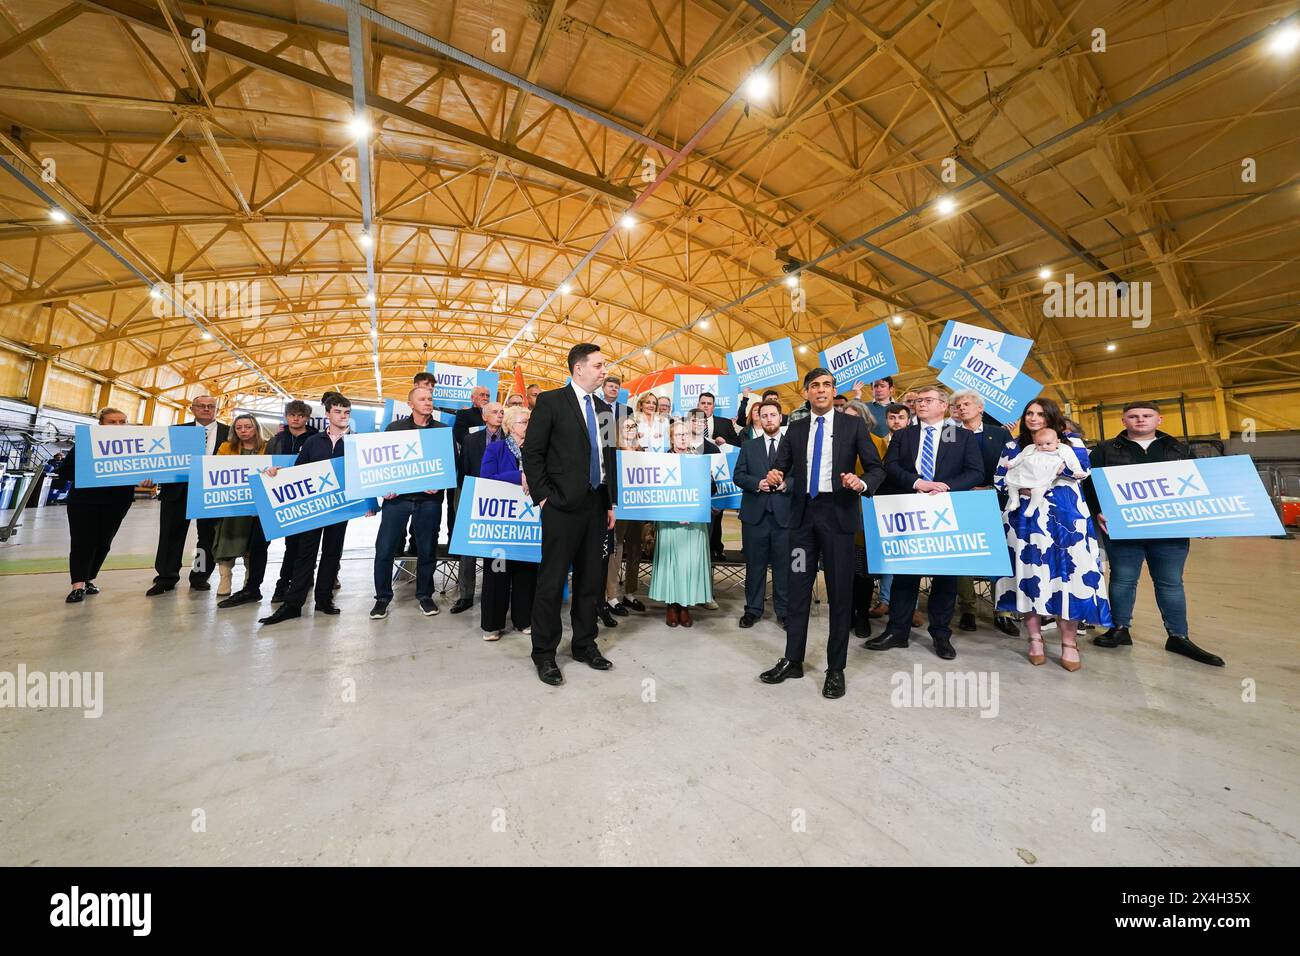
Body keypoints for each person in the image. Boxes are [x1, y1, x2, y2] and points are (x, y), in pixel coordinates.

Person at [759, 367, 885, 700]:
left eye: (827, 385)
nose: (821, 390)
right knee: (798, 588)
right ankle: (793, 659)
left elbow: (875, 468)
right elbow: (781, 466)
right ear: (805, 393)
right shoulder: (796, 429)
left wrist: (862, 483)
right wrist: (774, 473)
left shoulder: (853, 425)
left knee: (840, 594)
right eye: (814, 386)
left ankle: (836, 668)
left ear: (833, 391)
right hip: (803, 521)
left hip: (838, 518)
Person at [1082, 401, 1223, 666]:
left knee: (1170, 582)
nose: (1140, 420)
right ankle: (1120, 629)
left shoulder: (1178, 449)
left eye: (1147, 416)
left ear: (1159, 419)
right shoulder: (1104, 450)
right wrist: (1098, 510)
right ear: (1123, 421)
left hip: (1169, 531)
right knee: (1123, 579)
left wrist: (1205, 520)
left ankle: (1178, 636)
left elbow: (1198, 485)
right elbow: (1090, 484)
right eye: (1133, 416)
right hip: (1123, 527)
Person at [866, 384, 984, 661]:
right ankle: (897, 631)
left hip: (946, 510)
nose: (921, 404)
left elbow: (976, 472)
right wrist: (918, 482)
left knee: (945, 577)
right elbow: (890, 467)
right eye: (918, 401)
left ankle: (941, 634)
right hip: (910, 509)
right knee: (906, 575)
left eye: (928, 400)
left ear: (944, 405)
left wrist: (943, 487)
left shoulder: (962, 436)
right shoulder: (904, 435)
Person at [522, 343, 617, 686]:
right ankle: (544, 653)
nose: (604, 370)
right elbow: (532, 453)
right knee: (552, 580)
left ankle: (584, 643)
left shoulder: (605, 409)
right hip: (561, 507)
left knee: (591, 580)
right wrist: (544, 497)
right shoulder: (551, 402)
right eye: (599, 365)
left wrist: (610, 503)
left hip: (595, 506)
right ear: (579, 369)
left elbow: (609, 459)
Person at [994, 398, 1111, 671]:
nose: (1033, 418)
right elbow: (999, 479)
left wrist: (1056, 468)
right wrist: (1021, 487)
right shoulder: (1013, 446)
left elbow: (1082, 472)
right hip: (1026, 521)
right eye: (1029, 413)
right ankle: (1034, 638)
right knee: (1029, 576)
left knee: (1071, 578)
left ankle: (1069, 642)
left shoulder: (1072, 443)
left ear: (1051, 417)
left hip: (1067, 518)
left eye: (1040, 414)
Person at [259, 394, 375, 626]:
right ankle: (293, 604)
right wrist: (276, 472)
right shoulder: (313, 442)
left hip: (341, 508)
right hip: (314, 508)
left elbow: (365, 474)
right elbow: (299, 472)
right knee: (305, 554)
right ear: (328, 414)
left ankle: (324, 599)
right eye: (338, 412)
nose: (343, 416)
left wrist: (369, 503)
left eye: (346, 412)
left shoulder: (357, 443)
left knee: (333, 553)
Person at [368, 385, 447, 622]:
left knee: (426, 550)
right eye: (422, 399)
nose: (428, 402)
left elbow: (448, 464)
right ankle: (382, 598)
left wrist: (440, 483)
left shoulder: (442, 430)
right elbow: (382, 463)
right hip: (397, 501)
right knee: (384, 550)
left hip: (429, 501)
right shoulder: (394, 429)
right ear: (410, 404)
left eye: (430, 399)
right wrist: (385, 487)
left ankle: (425, 595)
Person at [949, 389, 1019, 636]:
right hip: (961, 499)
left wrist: (991, 487)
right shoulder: (949, 433)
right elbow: (944, 467)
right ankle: (968, 608)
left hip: (995, 499)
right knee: (964, 555)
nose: (961, 408)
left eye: (966, 404)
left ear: (980, 408)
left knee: (999, 554)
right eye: (957, 405)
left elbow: (1012, 466)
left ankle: (1003, 611)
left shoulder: (999, 433)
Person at [145, 394, 229, 596]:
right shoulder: (176, 431)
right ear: (192, 408)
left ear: (216, 409)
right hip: (177, 490)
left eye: (211, 406)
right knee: (170, 535)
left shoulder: (229, 432)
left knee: (207, 538)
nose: (206, 409)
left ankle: (199, 576)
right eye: (201, 406)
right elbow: (159, 457)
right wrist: (152, 475)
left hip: (211, 491)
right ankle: (166, 577)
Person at [59, 407, 136, 604]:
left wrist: (147, 480)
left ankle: (89, 578)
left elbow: (142, 470)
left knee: (104, 542)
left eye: (122, 421)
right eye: (112, 422)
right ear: (101, 424)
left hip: (118, 501)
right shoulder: (86, 444)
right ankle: (77, 586)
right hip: (84, 501)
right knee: (82, 542)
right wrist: (91, 472)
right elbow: (65, 472)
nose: (118, 425)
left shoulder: (134, 446)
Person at [478, 403, 539, 641]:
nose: (529, 426)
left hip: (529, 522)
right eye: (524, 422)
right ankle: (492, 624)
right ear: (510, 426)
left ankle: (524, 619)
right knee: (497, 573)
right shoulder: (496, 449)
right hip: (500, 523)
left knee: (526, 571)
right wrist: (519, 476)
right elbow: (487, 478)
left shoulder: (538, 450)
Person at [646, 420, 715, 627]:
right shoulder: (662, 461)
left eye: (686, 434)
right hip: (670, 521)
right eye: (678, 434)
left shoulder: (700, 459)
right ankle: (671, 605)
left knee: (690, 564)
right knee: (672, 563)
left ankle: (685, 606)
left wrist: (708, 480)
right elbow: (655, 491)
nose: (683, 438)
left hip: (694, 522)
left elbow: (710, 490)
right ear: (671, 438)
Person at [733, 400, 791, 629]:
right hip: (755, 517)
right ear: (758, 418)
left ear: (780, 417)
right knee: (754, 566)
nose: (768, 419)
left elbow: (801, 477)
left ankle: (784, 611)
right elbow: (738, 476)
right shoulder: (749, 446)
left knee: (783, 567)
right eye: (764, 415)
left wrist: (786, 484)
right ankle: (753, 610)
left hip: (784, 517)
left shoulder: (792, 446)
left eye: (773, 415)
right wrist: (758, 483)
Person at [869, 401, 925, 627]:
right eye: (892, 418)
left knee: (911, 557)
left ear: (908, 419)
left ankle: (912, 607)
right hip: (886, 503)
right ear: (886, 420)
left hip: (912, 502)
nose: (896, 422)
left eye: (901, 417)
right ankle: (884, 600)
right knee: (889, 555)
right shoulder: (879, 443)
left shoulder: (917, 440)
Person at [449, 400, 503, 615]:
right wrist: (468, 497)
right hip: (474, 497)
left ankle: (499, 591)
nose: (499, 415)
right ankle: (466, 595)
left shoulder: (510, 441)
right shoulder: (471, 441)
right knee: (468, 549)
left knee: (499, 548)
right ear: (484, 416)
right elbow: (463, 471)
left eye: (502, 412)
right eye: (495, 412)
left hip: (501, 501)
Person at [842, 399, 889, 638]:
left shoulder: (879, 443)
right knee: (842, 569)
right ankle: (845, 613)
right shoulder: (834, 441)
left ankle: (861, 613)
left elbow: (881, 476)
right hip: (839, 512)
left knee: (863, 570)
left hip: (867, 513)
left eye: (854, 418)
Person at [211, 414, 269, 603]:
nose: (243, 431)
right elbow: (215, 470)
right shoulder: (226, 447)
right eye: (239, 427)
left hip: (257, 505)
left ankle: (249, 580)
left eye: (248, 427)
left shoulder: (267, 446)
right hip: (232, 503)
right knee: (227, 539)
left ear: (256, 429)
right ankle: (225, 579)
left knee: (253, 544)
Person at [266, 400, 319, 604]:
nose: (296, 418)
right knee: (291, 545)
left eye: (301, 415)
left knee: (307, 545)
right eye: (292, 415)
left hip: (309, 496)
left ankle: (301, 581)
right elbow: (265, 464)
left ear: (307, 417)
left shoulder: (315, 438)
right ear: (286, 417)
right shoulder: (277, 439)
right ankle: (283, 584)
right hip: (285, 497)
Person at [602, 417, 647, 621]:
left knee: (636, 548)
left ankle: (630, 593)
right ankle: (611, 596)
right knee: (616, 548)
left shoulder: (642, 452)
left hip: (638, 507)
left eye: (633, 426)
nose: (631, 429)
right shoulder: (614, 453)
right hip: (619, 507)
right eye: (626, 426)